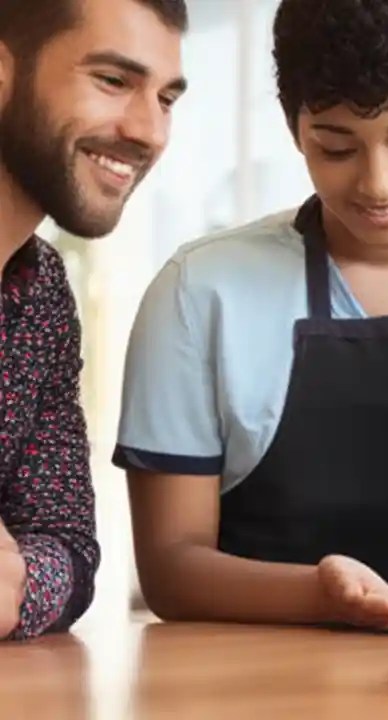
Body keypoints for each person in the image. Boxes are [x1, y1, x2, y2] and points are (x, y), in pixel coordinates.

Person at [115, 0, 388, 631]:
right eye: (336, 146)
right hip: (257, 684)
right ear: (295, 127)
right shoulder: (200, 294)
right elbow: (170, 569)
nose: (378, 184)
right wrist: (322, 596)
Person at [0, 0, 187, 640]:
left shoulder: (41, 294)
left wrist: (17, 584)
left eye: (166, 99)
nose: (150, 132)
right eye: (113, 81)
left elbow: (70, 546)